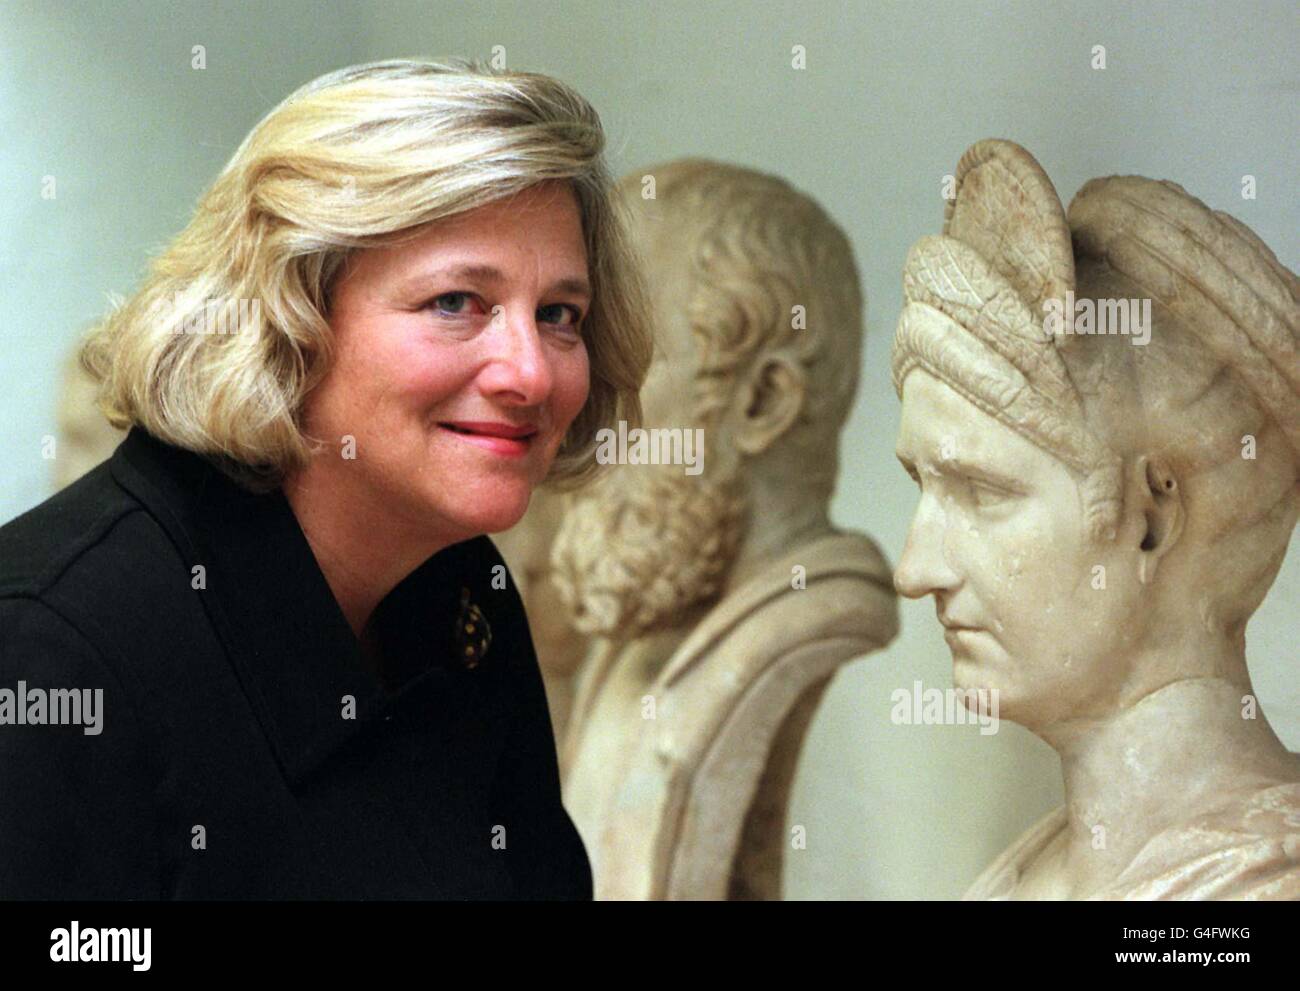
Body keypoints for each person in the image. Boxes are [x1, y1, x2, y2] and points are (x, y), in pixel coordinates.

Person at [0, 58, 651, 899]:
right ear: (287, 314)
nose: (530, 372)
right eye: (457, 301)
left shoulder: (465, 591)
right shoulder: (51, 650)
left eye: (559, 314)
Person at [892, 139, 1299, 899]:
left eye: (981, 491)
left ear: (1151, 515)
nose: (914, 570)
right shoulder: (1029, 873)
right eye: (921, 482)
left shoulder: (1249, 895)